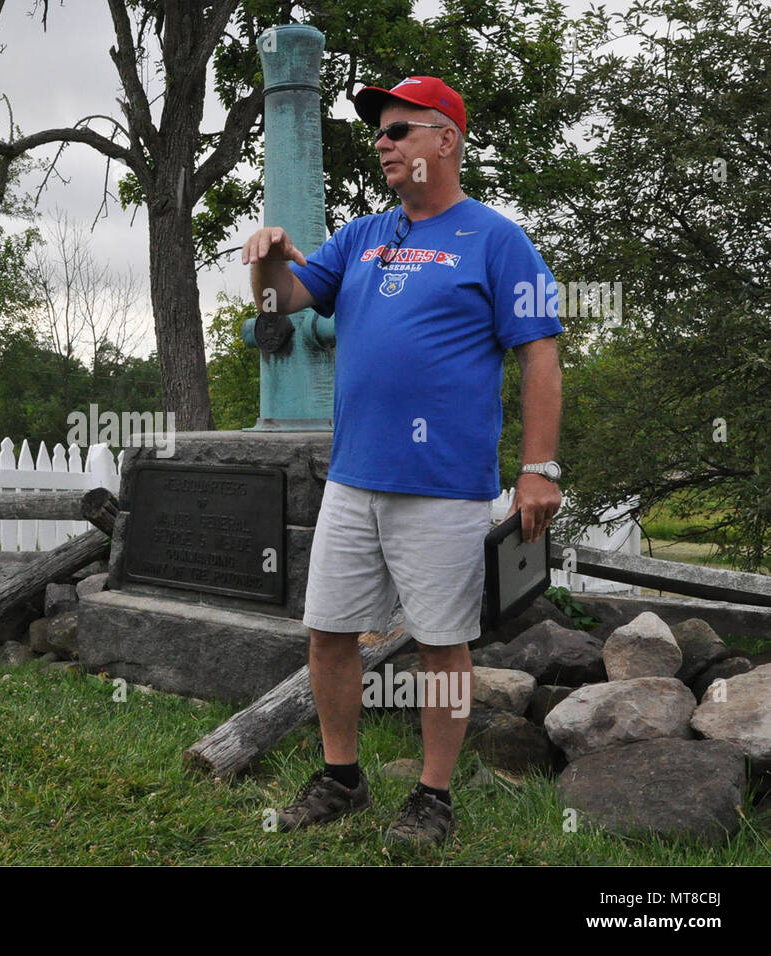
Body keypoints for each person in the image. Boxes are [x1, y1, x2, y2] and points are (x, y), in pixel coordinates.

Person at [241, 76, 564, 846]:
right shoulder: (362, 237)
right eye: (380, 133)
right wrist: (267, 259)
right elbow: (277, 308)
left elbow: (541, 359)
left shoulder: (496, 238)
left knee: (441, 644)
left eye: (399, 130)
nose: (382, 143)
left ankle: (432, 796)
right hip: (353, 480)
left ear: (445, 140)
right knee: (327, 631)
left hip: (444, 487)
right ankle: (342, 778)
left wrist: (538, 469)